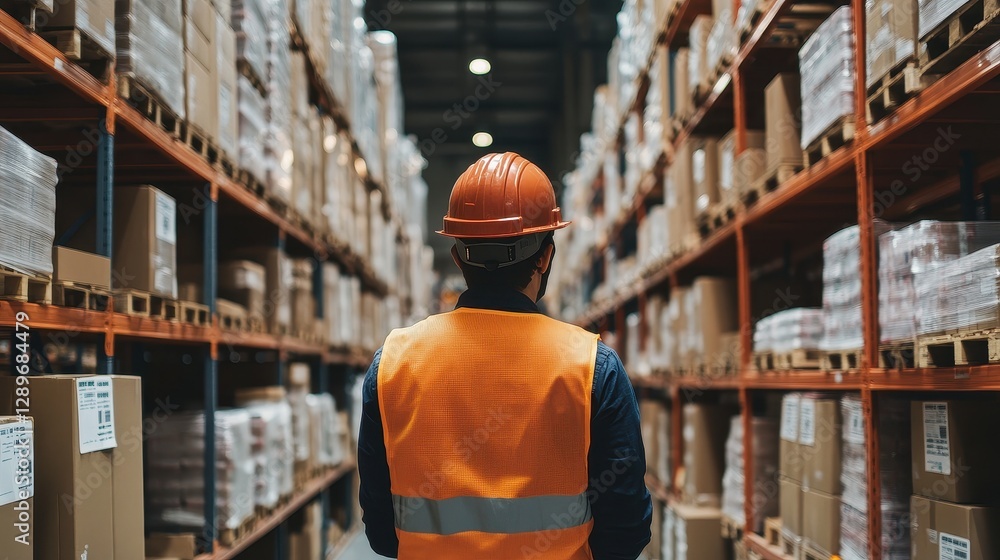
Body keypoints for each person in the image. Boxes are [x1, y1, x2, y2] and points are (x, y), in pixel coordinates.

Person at [358, 152, 652, 559]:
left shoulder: (393, 363)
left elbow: (381, 533)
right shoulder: (590, 367)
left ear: (458, 257)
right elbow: (626, 529)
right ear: (546, 256)